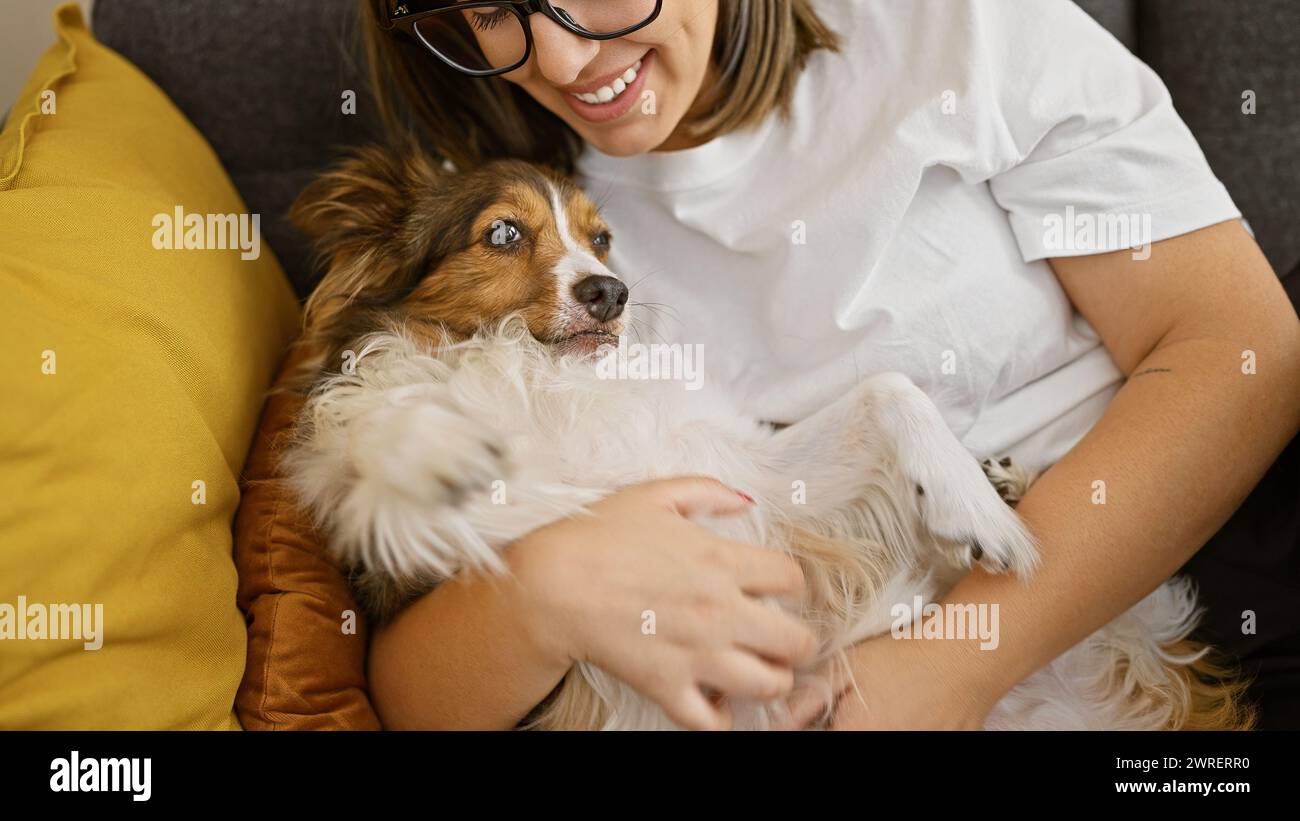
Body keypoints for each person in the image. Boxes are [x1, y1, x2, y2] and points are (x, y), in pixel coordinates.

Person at [339, 0, 1300, 729]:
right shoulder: (516, 235)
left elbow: (1242, 357)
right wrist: (542, 590)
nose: (560, 57)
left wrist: (953, 664)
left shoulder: (956, 31)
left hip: (1151, 603)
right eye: (495, 8)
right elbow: (415, 694)